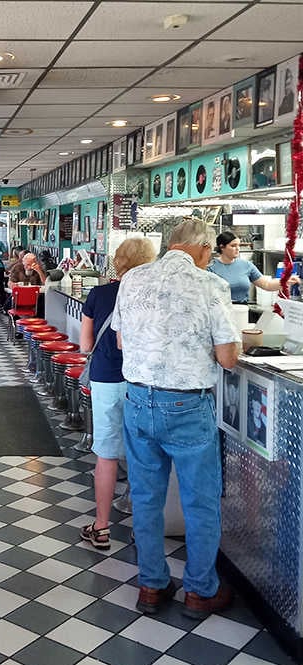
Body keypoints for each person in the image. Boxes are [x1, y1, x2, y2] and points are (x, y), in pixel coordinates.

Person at [112, 218, 241, 619]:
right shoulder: (211, 286)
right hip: (186, 405)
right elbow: (228, 357)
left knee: (146, 498)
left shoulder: (132, 279)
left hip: (137, 400)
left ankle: (152, 586)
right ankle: (201, 592)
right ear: (204, 249)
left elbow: (119, 339)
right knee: (200, 502)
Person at [79, 237, 156, 550]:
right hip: (144, 381)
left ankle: (101, 527)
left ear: (118, 262)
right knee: (144, 457)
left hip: (107, 380)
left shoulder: (99, 294)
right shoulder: (154, 296)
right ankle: (142, 528)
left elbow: (85, 345)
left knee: (107, 455)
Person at [209, 230, 299, 304]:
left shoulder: (246, 265)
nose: (237, 248)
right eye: (233, 246)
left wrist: (285, 281)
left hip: (241, 309)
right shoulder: (211, 267)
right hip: (219, 311)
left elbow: (267, 284)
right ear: (222, 247)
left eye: (238, 245)